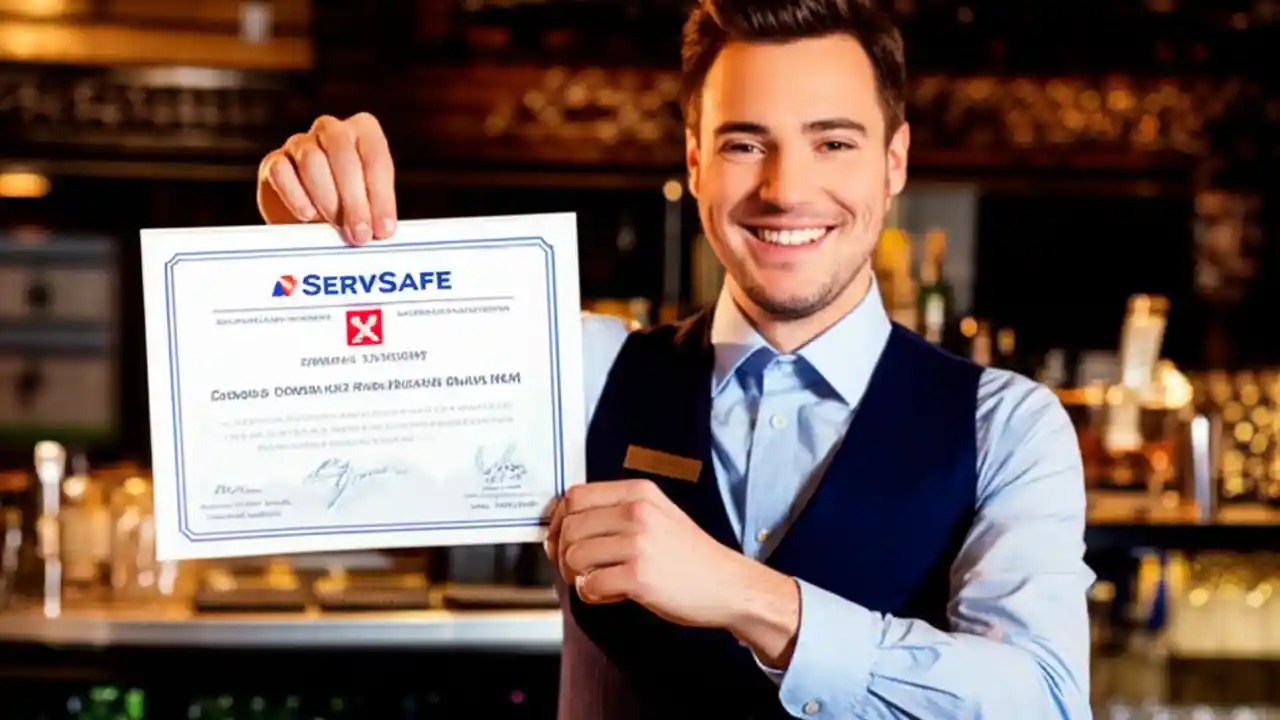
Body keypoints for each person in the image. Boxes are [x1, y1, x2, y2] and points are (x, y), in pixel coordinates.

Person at [254, 1, 1095, 717]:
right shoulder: (579, 373)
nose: (786, 189)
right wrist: (316, 246)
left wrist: (744, 594)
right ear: (694, 161)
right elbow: (326, 409)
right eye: (743, 144)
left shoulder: (1008, 426)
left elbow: (1045, 699)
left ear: (895, 161)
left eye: (832, 143)